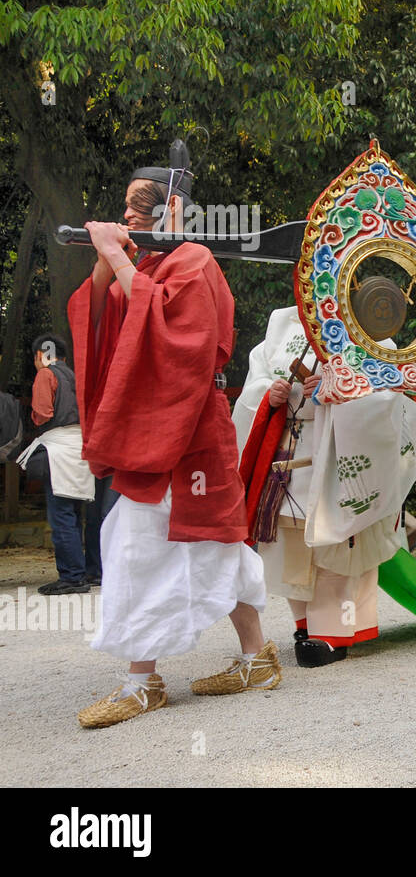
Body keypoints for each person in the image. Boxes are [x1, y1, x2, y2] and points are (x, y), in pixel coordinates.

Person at [66, 142, 277, 728]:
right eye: (126, 209)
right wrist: (108, 259)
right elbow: (104, 318)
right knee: (188, 540)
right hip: (158, 421)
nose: (129, 216)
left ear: (174, 209)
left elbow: (175, 334)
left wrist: (120, 258)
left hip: (191, 425)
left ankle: (142, 682)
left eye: (142, 208)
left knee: (173, 539)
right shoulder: (150, 260)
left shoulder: (193, 261)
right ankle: (255, 657)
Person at [234, 307, 416, 667]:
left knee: (337, 548)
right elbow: (256, 377)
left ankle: (336, 631)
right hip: (288, 455)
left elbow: (385, 393)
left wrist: (334, 389)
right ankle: (304, 624)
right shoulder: (282, 321)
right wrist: (268, 394)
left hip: (340, 455)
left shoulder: (369, 325)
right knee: (289, 546)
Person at [17, 334, 96, 595]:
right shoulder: (76, 376)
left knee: (61, 514)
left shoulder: (45, 375)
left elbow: (42, 415)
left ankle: (71, 576)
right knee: (74, 513)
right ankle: (82, 572)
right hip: (81, 446)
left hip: (59, 448)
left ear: (40, 355)